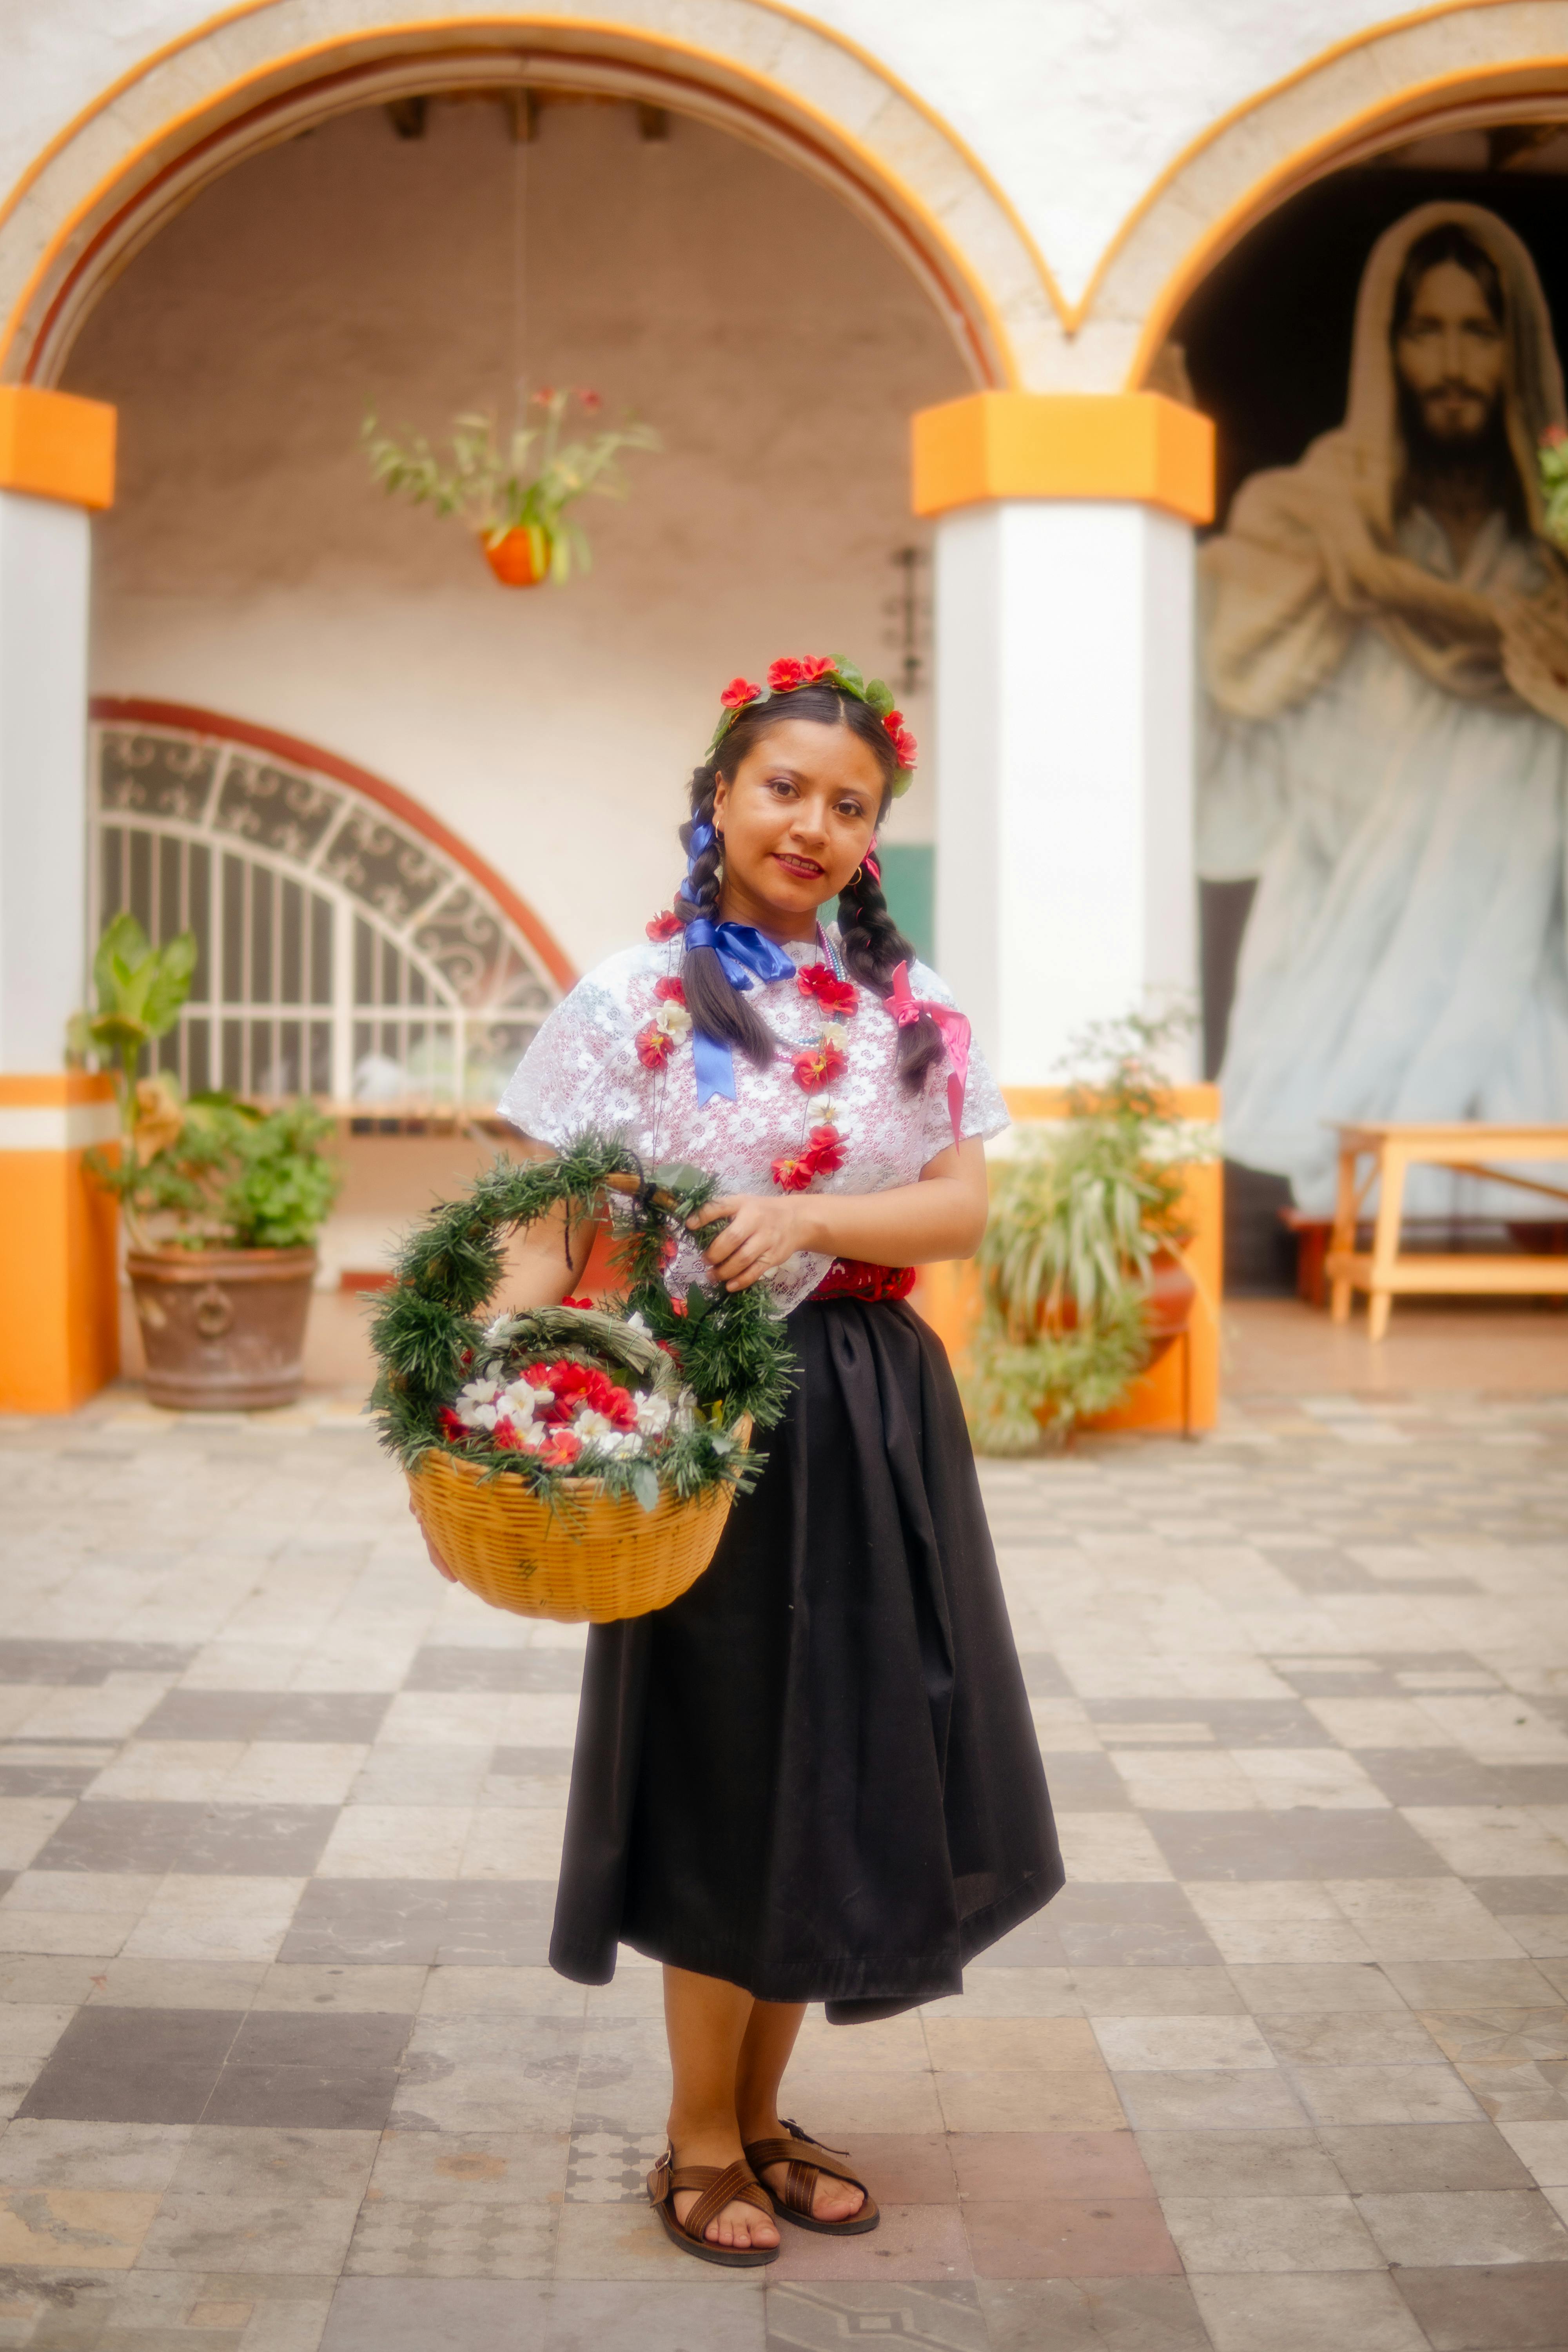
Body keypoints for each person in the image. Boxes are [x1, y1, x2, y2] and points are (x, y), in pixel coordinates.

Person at [442, 657, 1061, 2266]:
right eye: (782, 786)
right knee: (729, 1766)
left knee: (845, 1757)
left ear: (872, 837)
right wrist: (493, 1390)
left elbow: (960, 1205)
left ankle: (769, 2120)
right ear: (718, 794)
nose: (813, 822)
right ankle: (698, 2136)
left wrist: (811, 1217)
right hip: (700, 1411)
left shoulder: (910, 1012)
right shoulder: (635, 997)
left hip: (870, 1408)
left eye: (848, 804)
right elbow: (548, 1217)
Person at [1199, 201, 1568, 1217]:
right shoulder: (1316, 517)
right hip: (1345, 926)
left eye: (1478, 332)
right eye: (1427, 330)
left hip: (1515, 949)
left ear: (1514, 346)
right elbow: (1238, 666)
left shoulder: (1557, 532)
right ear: (1388, 346)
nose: (1452, 364)